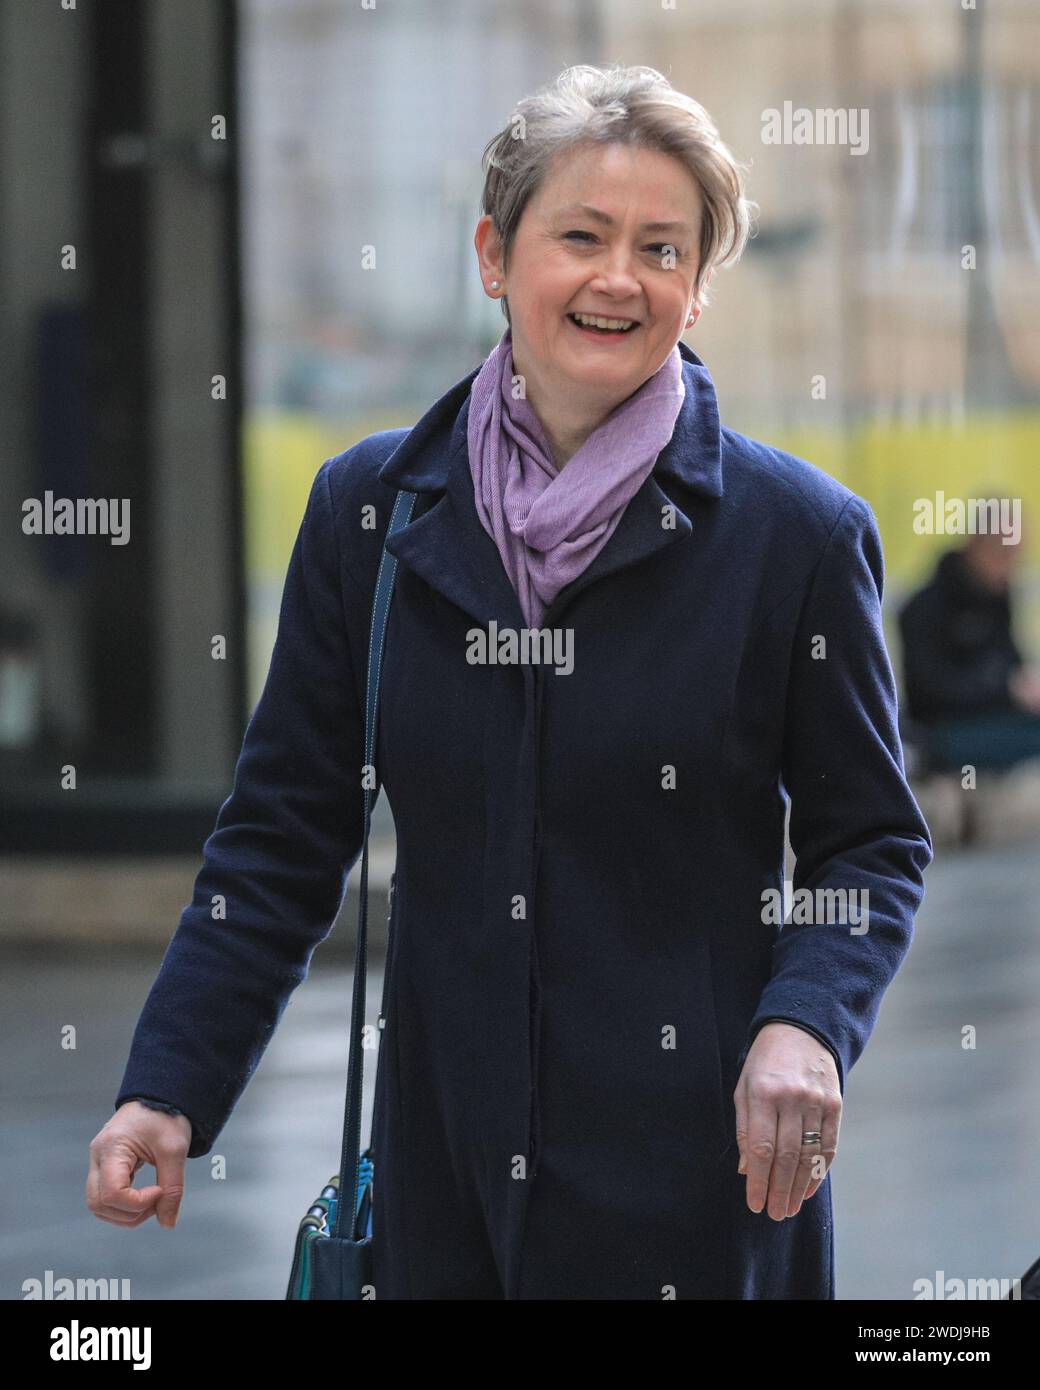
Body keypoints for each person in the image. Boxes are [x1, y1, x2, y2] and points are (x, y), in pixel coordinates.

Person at [87, 63, 933, 1299]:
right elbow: (281, 835)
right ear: (494, 255)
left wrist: (806, 1020)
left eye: (661, 248)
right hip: (443, 1192)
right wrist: (169, 1084)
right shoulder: (369, 513)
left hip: (700, 1194)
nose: (617, 278)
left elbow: (870, 843)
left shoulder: (795, 537)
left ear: (697, 286)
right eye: (579, 236)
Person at [899, 528, 1040, 772]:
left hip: (997, 716)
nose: (1010, 568)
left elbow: (1011, 659)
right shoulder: (924, 607)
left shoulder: (997, 599)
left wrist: (1025, 685)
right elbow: (930, 692)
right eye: (1003, 554)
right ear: (976, 546)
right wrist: (1006, 688)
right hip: (941, 729)